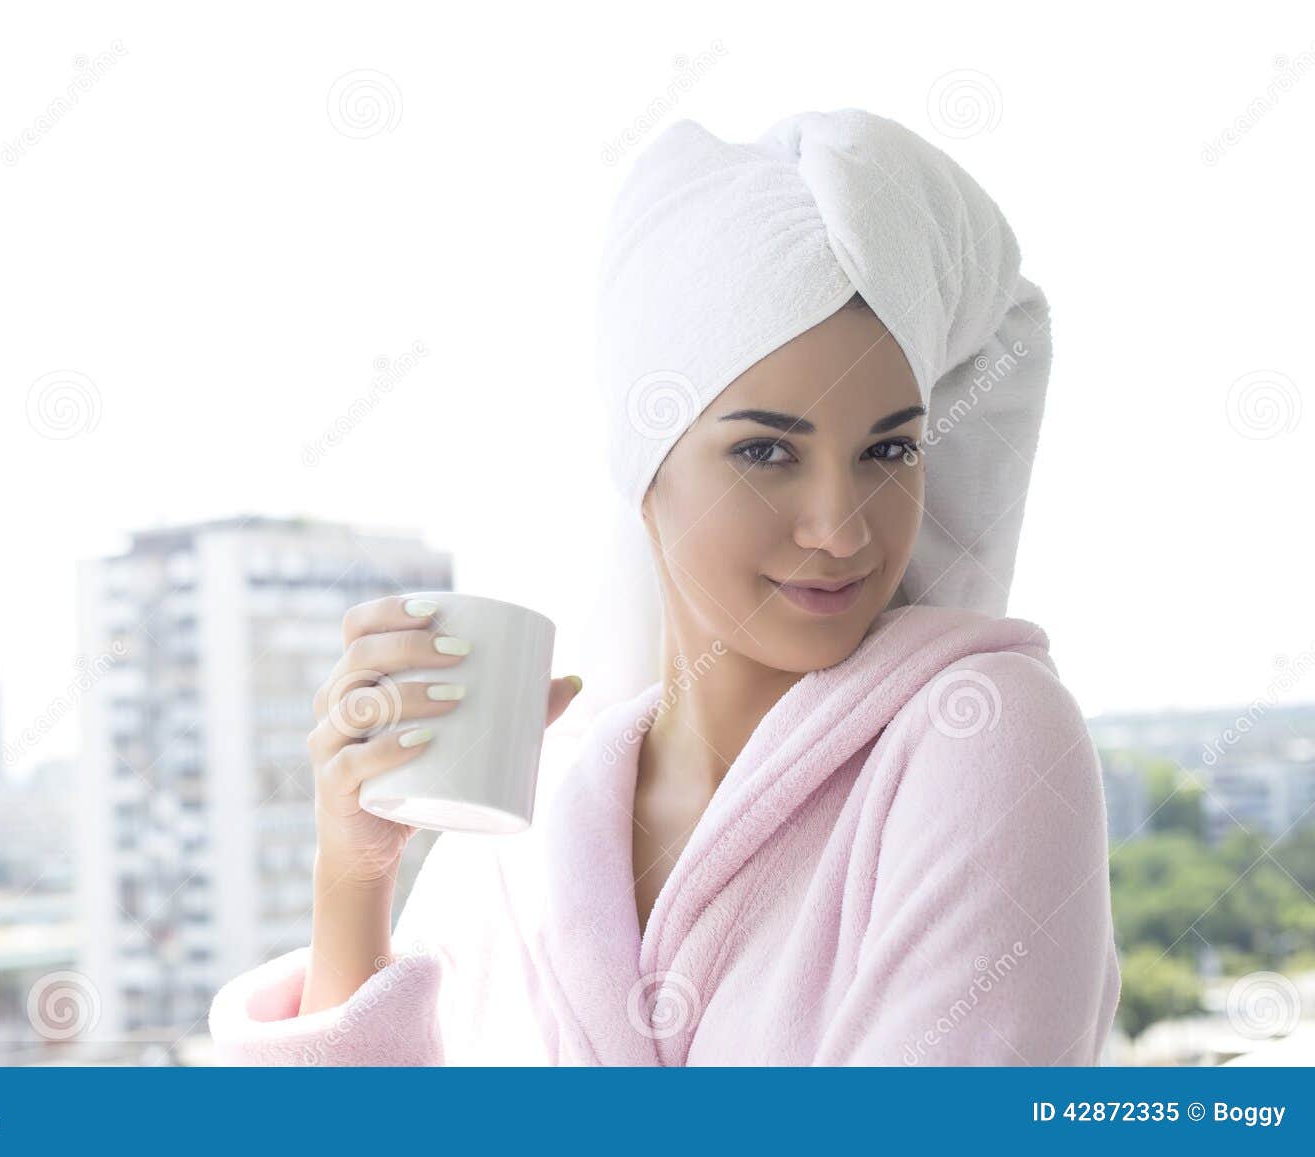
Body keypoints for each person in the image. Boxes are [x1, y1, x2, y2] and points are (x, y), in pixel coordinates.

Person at [208, 108, 1121, 1065]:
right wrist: (353, 877)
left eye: (888, 449)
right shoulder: (528, 821)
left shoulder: (982, 732)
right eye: (767, 451)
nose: (841, 525)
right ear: (646, 472)